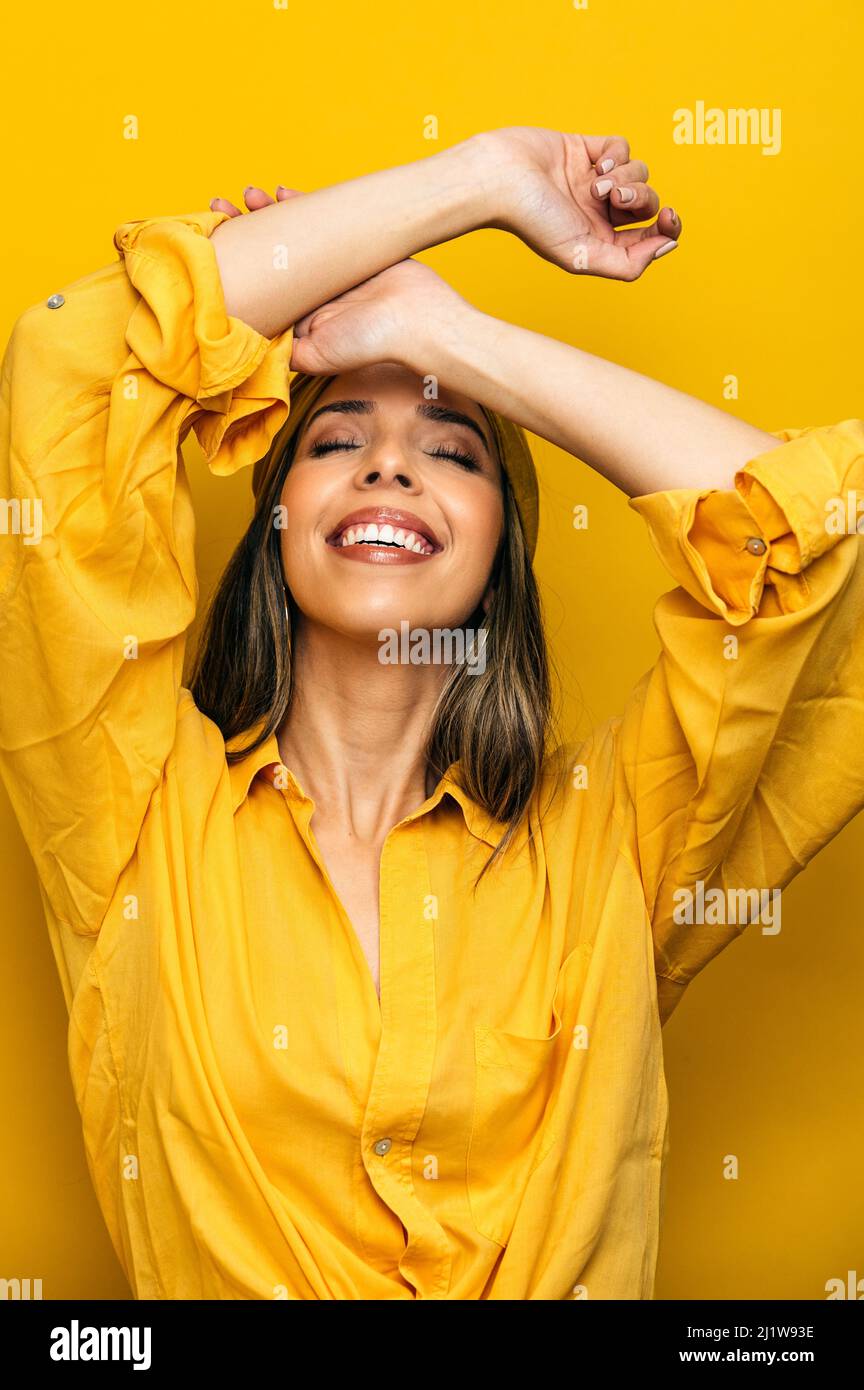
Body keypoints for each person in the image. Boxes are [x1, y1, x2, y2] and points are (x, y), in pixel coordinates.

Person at [1, 127, 861, 1301]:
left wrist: (442, 331)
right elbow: (71, 365)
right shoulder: (135, 809)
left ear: (505, 544)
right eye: (337, 439)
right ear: (274, 522)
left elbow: (827, 543)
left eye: (451, 451)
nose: (389, 469)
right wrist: (482, 181)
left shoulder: (613, 842)